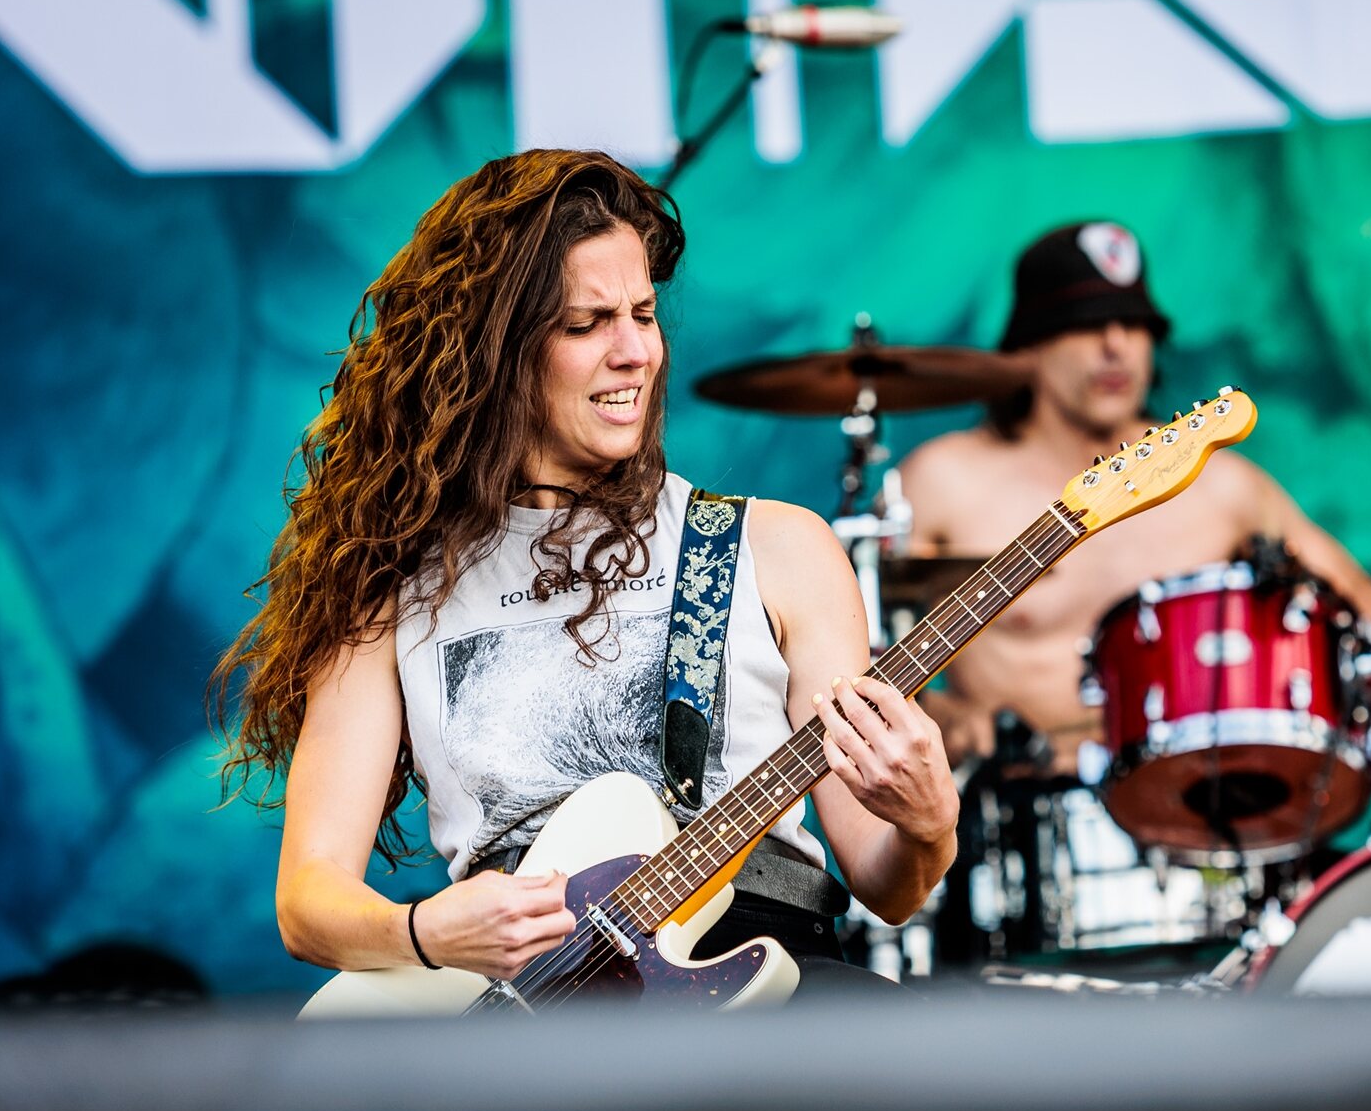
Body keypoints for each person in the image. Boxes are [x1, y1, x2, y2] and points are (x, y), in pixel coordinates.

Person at [212, 149, 958, 992]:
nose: (635, 350)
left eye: (644, 314)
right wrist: (421, 931)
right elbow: (307, 901)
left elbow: (884, 882)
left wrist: (927, 827)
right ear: (493, 352)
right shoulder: (395, 596)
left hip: (768, 986)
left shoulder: (776, 549)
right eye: (586, 323)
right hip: (534, 1009)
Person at [899, 221, 1371, 774]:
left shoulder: (1221, 481)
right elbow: (857, 654)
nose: (1116, 347)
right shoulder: (942, 481)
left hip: (1206, 799)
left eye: (1135, 325)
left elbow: (1364, 608)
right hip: (1022, 808)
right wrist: (938, 713)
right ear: (1028, 347)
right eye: (1086, 325)